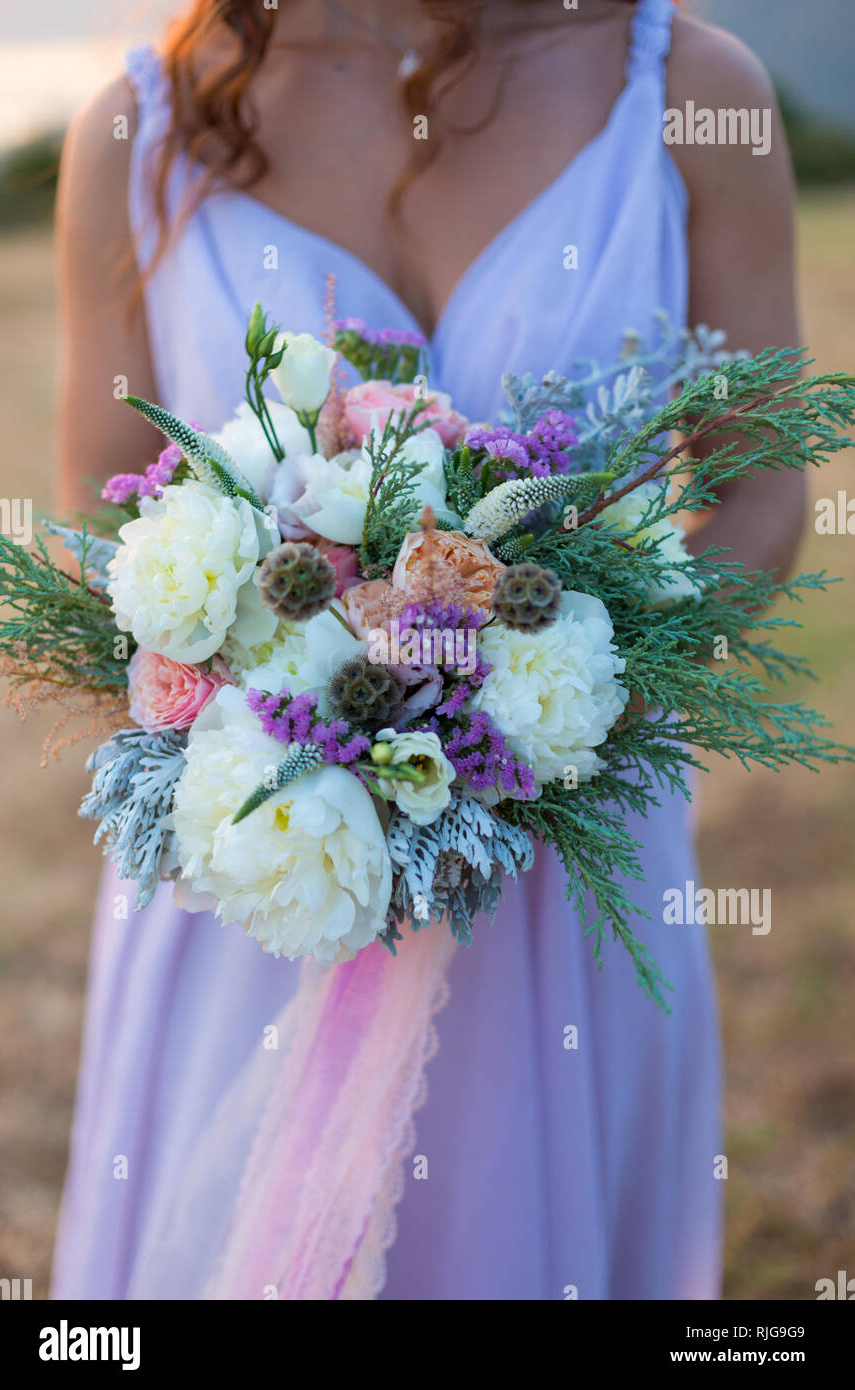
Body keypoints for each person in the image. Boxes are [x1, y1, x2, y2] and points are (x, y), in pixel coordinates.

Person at [52, 0, 804, 1299]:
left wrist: (556, 694)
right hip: (261, 857)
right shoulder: (141, 123)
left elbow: (759, 491)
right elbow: (105, 514)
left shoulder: (686, 90)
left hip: (566, 863)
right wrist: (287, 683)